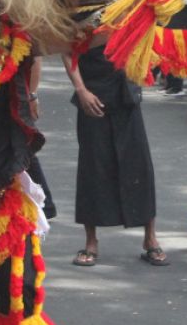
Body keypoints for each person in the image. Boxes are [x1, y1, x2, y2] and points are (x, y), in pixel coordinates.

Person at [66, 36, 165, 266]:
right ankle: (91, 241)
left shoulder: (129, 2)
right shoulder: (77, 5)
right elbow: (66, 49)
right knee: (93, 165)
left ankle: (150, 238)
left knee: (139, 163)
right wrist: (80, 90)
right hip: (93, 91)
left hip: (125, 89)